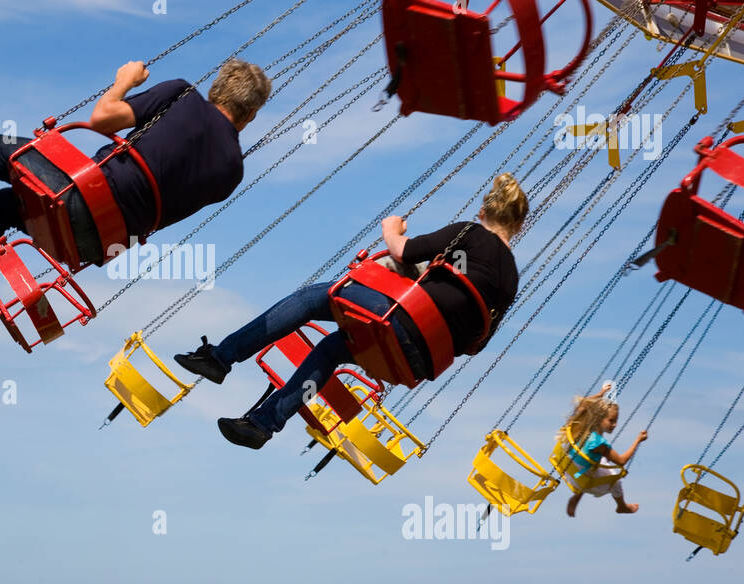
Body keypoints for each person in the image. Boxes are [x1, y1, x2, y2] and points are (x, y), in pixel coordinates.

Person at [0, 59, 272, 292]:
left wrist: (124, 81)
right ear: (251, 115)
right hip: (95, 242)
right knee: (5, 208)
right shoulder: (233, 172)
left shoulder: (182, 94)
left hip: (82, 193)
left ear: (217, 88)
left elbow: (104, 119)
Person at [174, 174, 529, 449]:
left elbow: (404, 252)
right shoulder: (511, 279)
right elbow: (475, 345)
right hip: (419, 362)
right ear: (519, 225)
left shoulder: (470, 232)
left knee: (313, 299)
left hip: (400, 321)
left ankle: (220, 358)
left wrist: (393, 229)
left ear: (483, 212)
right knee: (332, 348)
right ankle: (261, 425)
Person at [560, 383, 647, 516]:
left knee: (599, 461)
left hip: (571, 473)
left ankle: (576, 496)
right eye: (611, 420)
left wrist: (599, 395)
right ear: (598, 419)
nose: (615, 424)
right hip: (584, 480)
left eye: (616, 420)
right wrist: (638, 440)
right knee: (616, 479)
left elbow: (582, 405)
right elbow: (622, 461)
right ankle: (622, 506)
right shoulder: (599, 443)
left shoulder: (581, 428)